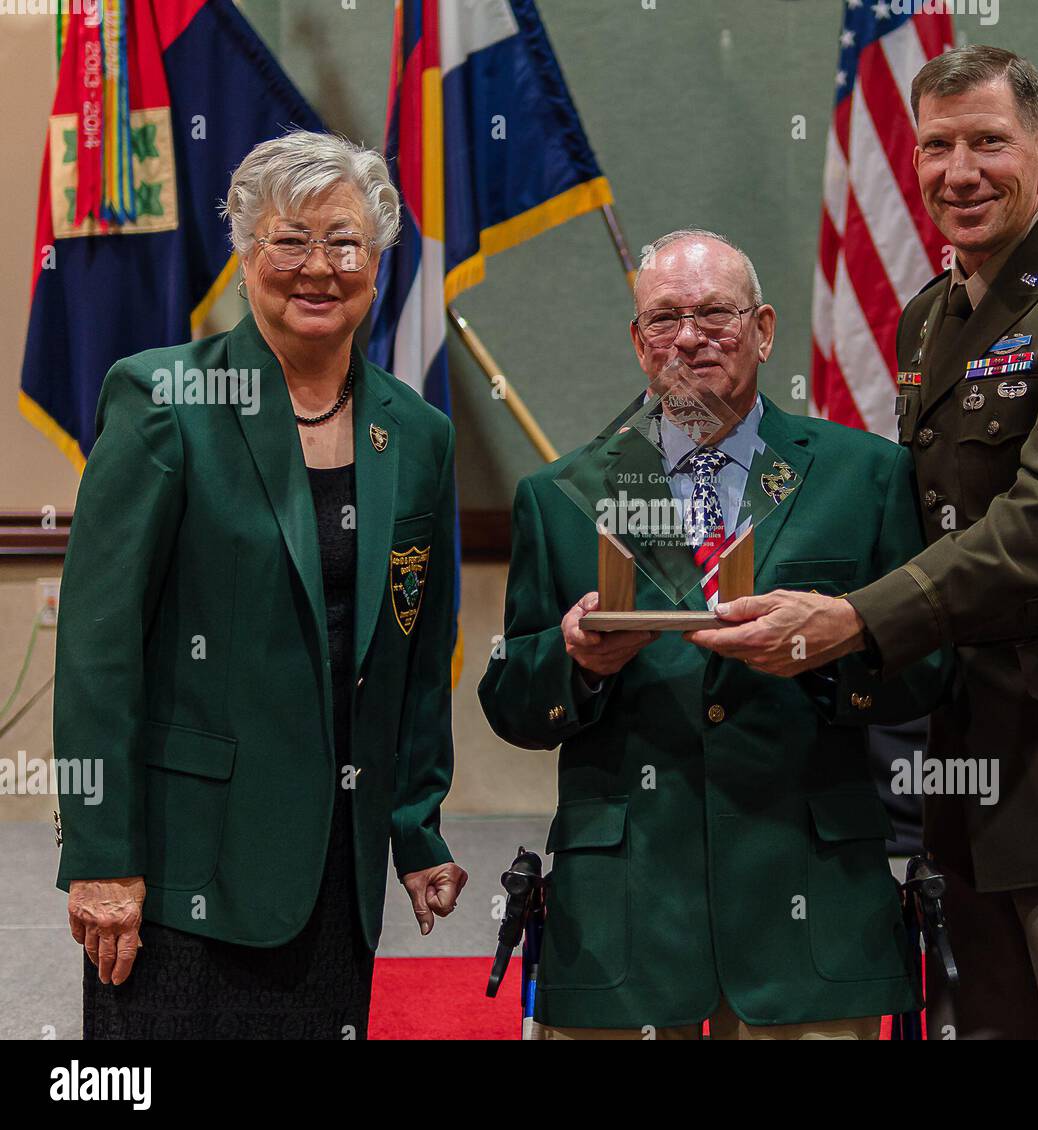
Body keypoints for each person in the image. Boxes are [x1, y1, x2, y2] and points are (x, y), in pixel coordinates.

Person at [688, 47, 1038, 1040]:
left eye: (987, 143)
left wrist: (856, 618)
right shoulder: (927, 321)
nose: (960, 171)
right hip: (969, 772)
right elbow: (920, 515)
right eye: (937, 146)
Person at [478, 229, 947, 1040]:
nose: (688, 338)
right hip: (625, 921)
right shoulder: (560, 495)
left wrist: (832, 647)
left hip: (810, 909)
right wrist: (577, 664)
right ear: (637, 341)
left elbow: (933, 671)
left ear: (763, 329)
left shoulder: (865, 475)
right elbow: (513, 700)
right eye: (663, 318)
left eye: (714, 314)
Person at [55, 130, 467, 1040]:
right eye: (290, 240)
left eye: (347, 242)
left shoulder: (418, 433)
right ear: (245, 251)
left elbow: (415, 648)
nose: (319, 267)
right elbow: (97, 648)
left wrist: (416, 823)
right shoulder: (162, 399)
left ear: (379, 260)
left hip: (334, 868)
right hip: (179, 869)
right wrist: (100, 855)